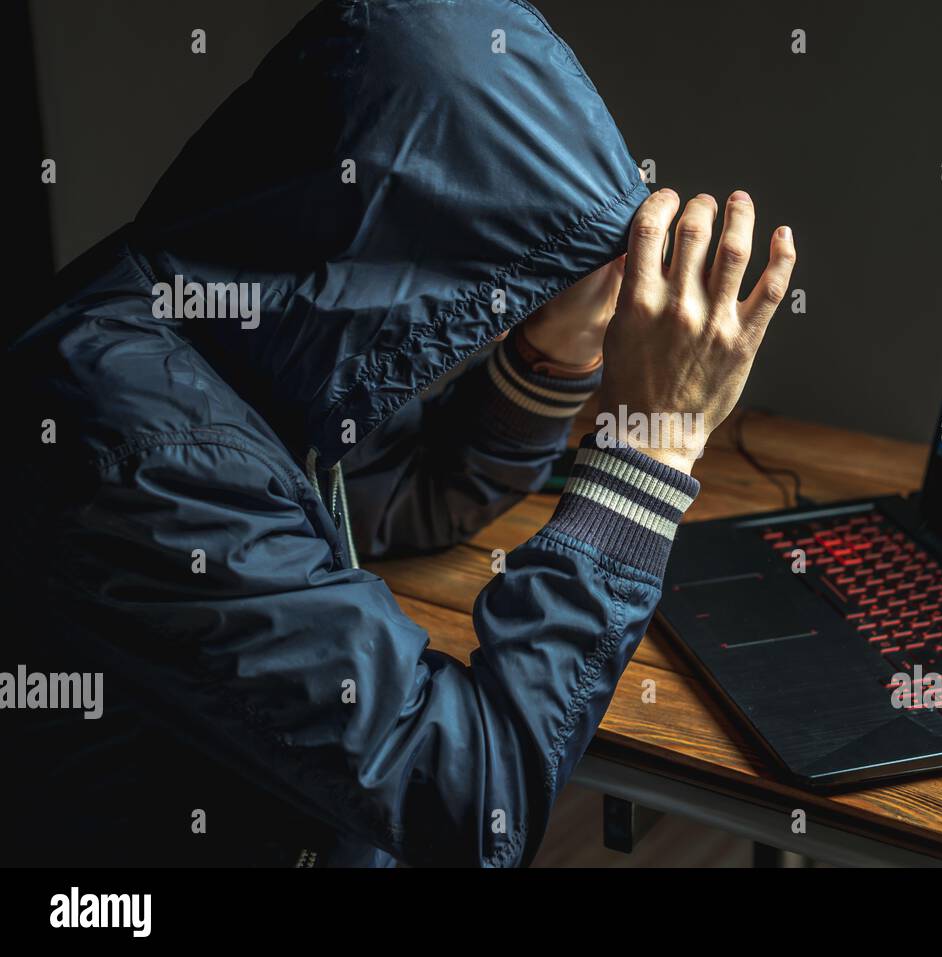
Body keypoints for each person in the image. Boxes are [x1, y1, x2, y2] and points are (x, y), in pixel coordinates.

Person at [3, 0, 793, 866]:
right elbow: (472, 802)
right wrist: (653, 446)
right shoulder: (149, 458)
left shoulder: (228, 316)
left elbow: (415, 496)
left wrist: (554, 350)